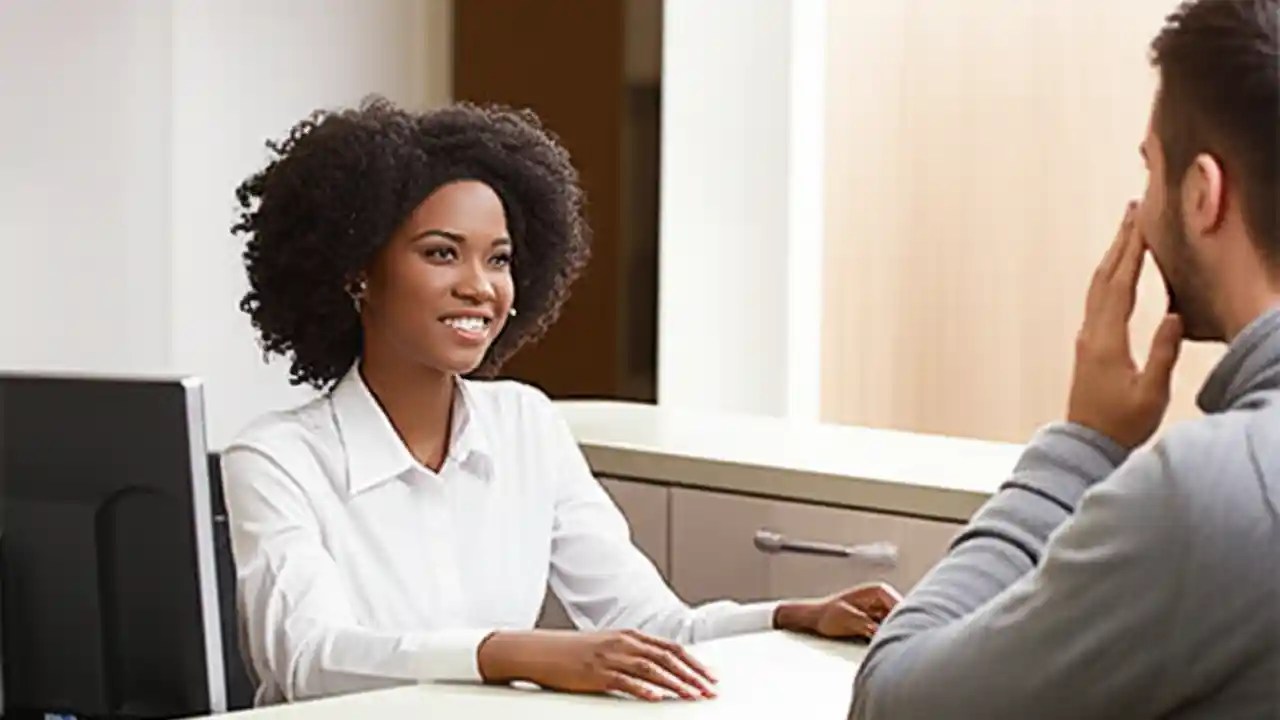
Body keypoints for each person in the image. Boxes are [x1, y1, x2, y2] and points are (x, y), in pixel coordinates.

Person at [223, 99, 898, 706]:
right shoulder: (278, 459)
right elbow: (309, 659)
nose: (479, 287)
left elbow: (654, 626)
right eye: (441, 253)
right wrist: (516, 652)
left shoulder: (526, 425)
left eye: (499, 259)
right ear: (357, 273)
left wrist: (790, 616)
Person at [850, 1, 1279, 717]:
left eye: (1150, 170)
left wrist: (1082, 447)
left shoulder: (1216, 495)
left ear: (1204, 193)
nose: (1141, 208)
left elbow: (893, 701)